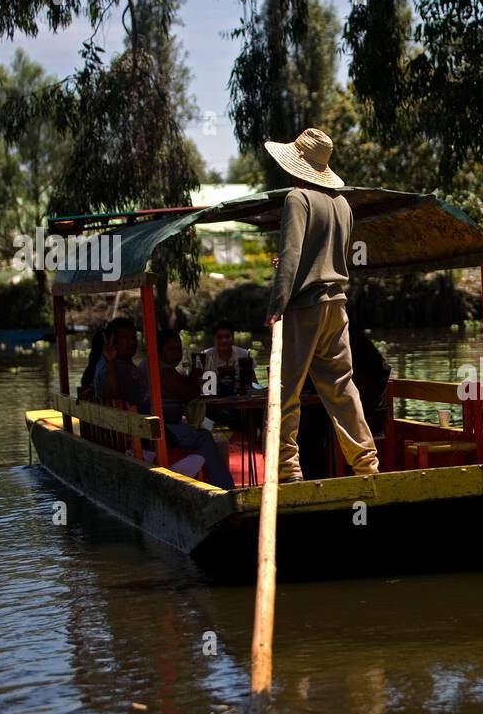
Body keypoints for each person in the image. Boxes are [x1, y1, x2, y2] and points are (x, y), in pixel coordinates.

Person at [263, 127, 379, 483]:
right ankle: (367, 465)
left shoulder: (297, 199)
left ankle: (287, 470)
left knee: (285, 389)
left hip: (305, 305)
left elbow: (293, 254)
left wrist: (276, 305)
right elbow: (332, 256)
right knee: (342, 388)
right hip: (336, 305)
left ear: (298, 162)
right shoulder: (342, 204)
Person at [94, 319, 235, 489]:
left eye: (133, 337)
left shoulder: (124, 364)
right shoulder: (116, 365)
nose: (132, 342)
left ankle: (204, 480)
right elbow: (108, 394)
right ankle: (225, 490)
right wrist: (197, 370)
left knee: (201, 428)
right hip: (150, 433)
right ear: (111, 341)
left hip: (144, 428)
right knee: (203, 436)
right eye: (125, 338)